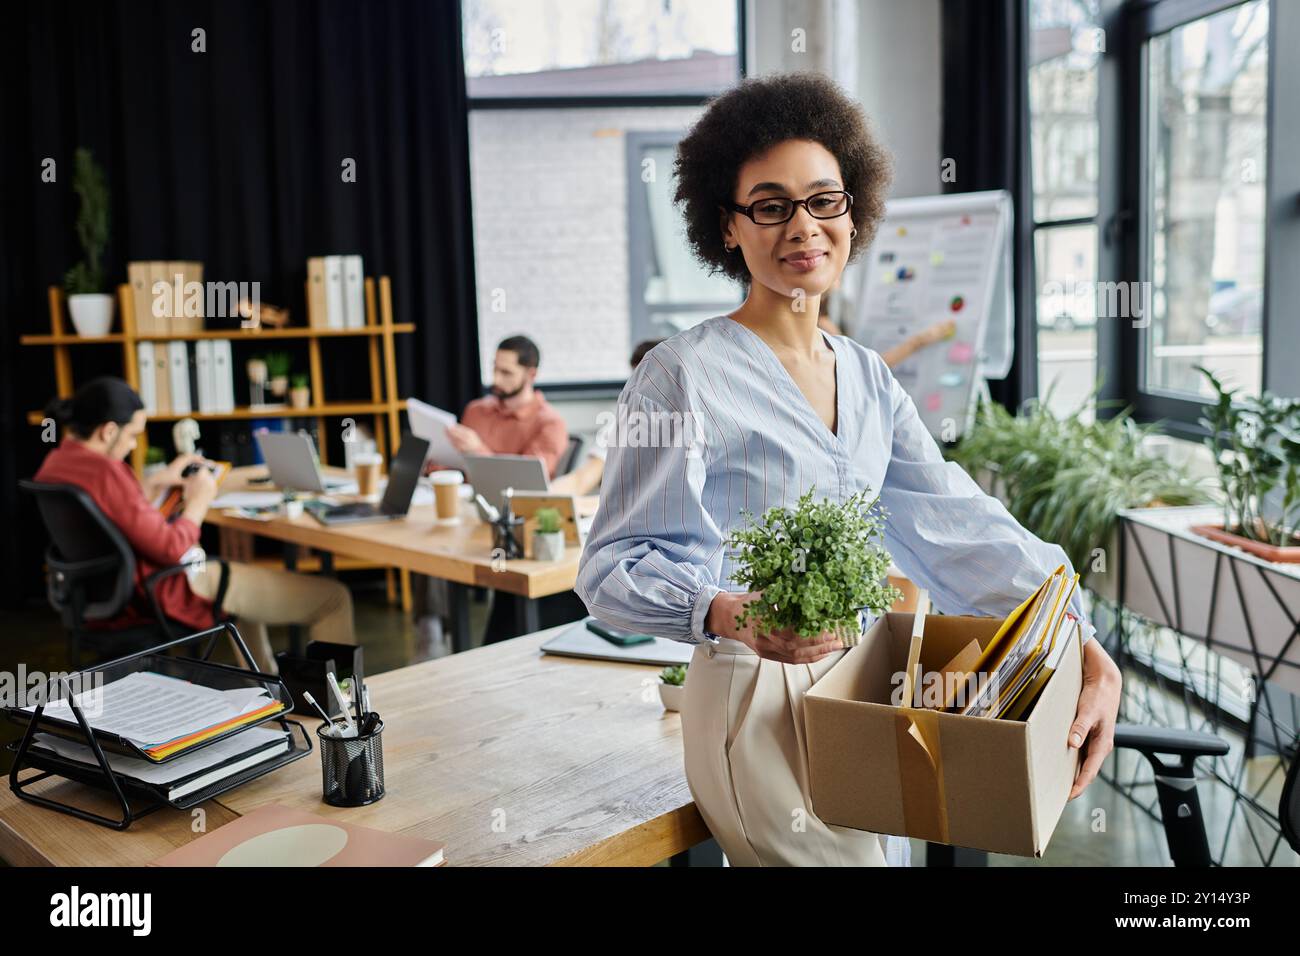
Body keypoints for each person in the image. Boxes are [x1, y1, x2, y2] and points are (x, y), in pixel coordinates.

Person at [574, 73, 1121, 867]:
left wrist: (1078, 635)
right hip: (752, 692)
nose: (803, 226)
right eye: (770, 205)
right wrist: (730, 611)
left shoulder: (866, 374)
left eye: (823, 200)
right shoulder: (682, 373)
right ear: (727, 228)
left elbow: (954, 521)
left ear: (852, 210)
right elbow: (611, 567)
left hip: (863, 683)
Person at [34, 377, 356, 672]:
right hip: (166, 588)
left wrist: (153, 484)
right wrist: (200, 500)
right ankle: (340, 720)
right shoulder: (107, 471)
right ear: (107, 431)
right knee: (334, 598)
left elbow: (107, 520)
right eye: (132, 435)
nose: (133, 445)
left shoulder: (57, 462)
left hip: (102, 598)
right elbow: (173, 548)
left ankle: (268, 697)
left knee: (240, 591)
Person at [444, 335, 569, 479]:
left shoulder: (550, 424)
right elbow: (454, 466)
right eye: (495, 369)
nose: (496, 379)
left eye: (506, 373)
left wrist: (477, 450)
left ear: (531, 375)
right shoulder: (476, 410)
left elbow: (527, 481)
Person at [551, 338, 664, 496]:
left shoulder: (692, 425)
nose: (638, 387)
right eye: (636, 378)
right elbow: (583, 478)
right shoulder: (620, 424)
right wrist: (547, 495)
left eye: (649, 378)